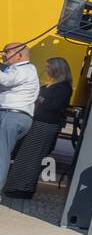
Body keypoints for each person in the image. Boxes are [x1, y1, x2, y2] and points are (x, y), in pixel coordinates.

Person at [4, 56, 72, 199]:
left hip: (45, 125)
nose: (46, 69)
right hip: (38, 123)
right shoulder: (50, 84)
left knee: (33, 157)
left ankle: (24, 188)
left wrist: (39, 99)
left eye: (48, 67)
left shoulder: (64, 87)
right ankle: (15, 185)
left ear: (57, 69)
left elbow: (54, 106)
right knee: (25, 155)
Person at [0, 42, 40, 190]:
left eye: (7, 52)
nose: (4, 55)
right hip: (12, 115)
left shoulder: (25, 69)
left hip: (11, 116)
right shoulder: (16, 69)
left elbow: (6, 80)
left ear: (19, 56)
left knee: (1, 154)